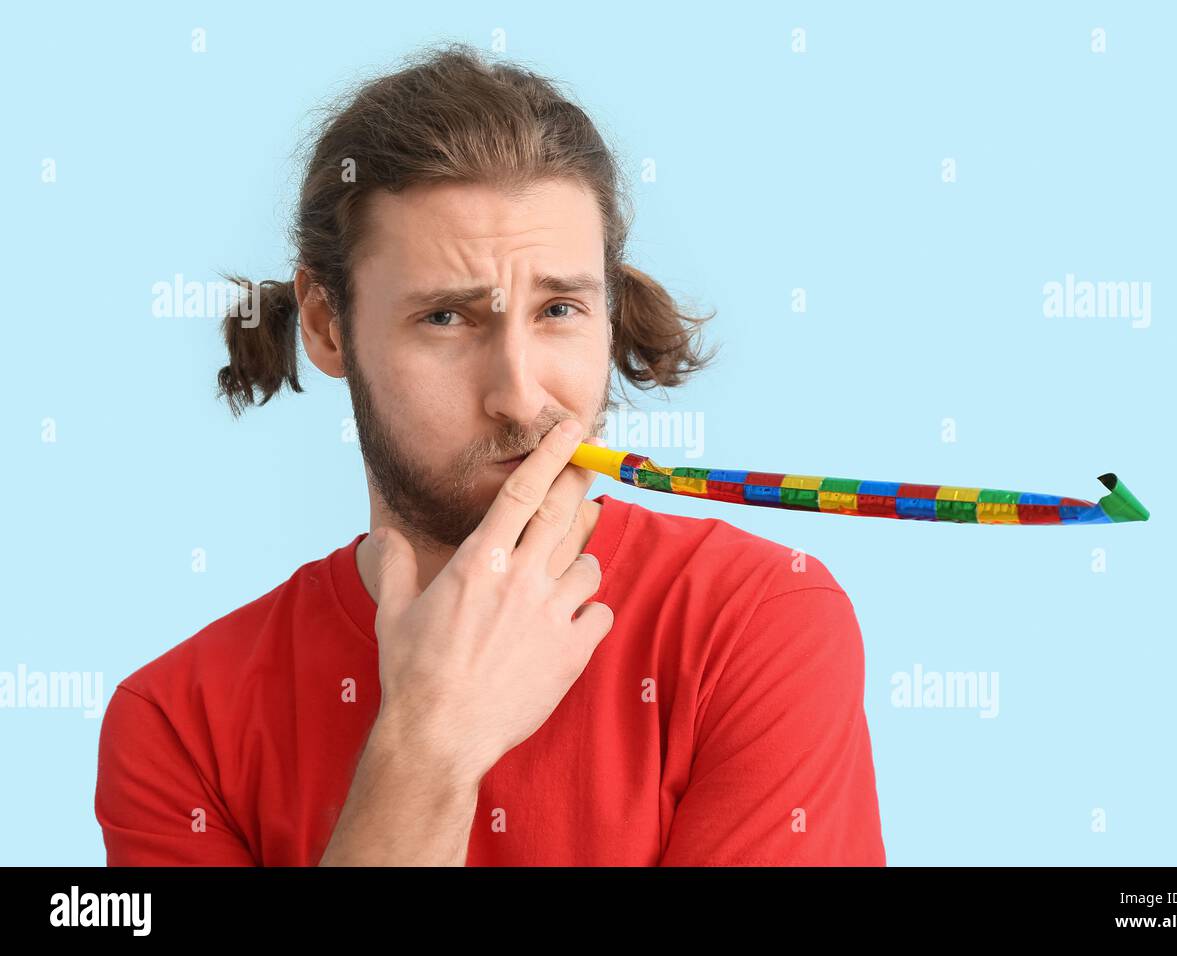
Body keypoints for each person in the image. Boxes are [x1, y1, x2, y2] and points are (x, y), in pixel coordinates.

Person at [94, 41, 886, 866]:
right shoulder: (177, 724)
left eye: (559, 310)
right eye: (446, 318)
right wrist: (427, 749)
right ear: (327, 326)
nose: (519, 395)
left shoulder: (759, 620)